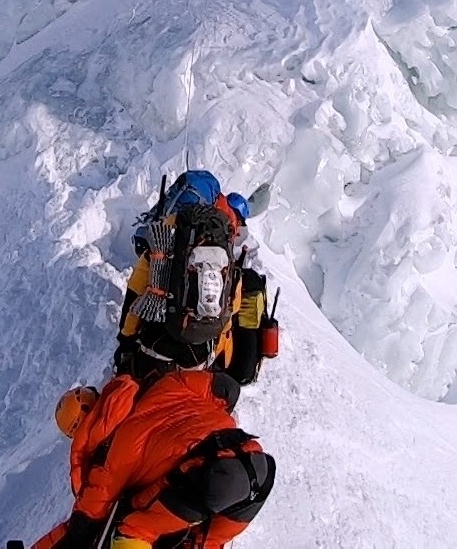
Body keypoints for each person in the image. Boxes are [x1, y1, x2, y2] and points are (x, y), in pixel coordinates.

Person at [36, 370, 276, 549]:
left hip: (212, 478)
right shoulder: (165, 384)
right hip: (258, 465)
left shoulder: (107, 456)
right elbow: (227, 388)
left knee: (131, 529)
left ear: (76, 432)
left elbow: (85, 521)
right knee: (199, 543)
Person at [115, 175, 277, 386]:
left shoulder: (162, 243)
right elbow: (231, 308)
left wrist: (125, 342)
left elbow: (135, 293)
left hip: (153, 354)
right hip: (201, 360)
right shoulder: (223, 248)